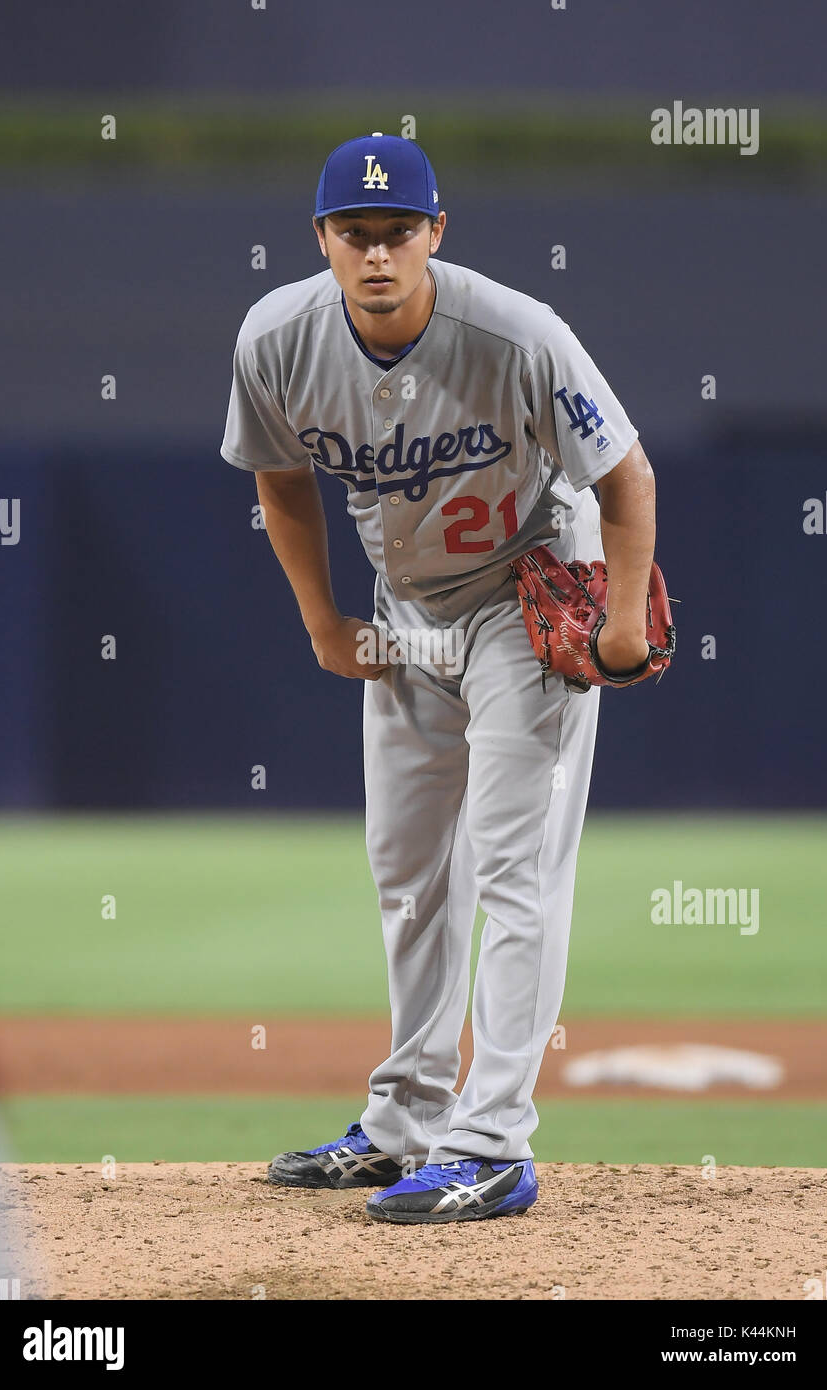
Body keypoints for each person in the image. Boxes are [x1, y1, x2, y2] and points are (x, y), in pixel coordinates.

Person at [220, 133, 656, 1225]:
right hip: (409, 616)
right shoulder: (277, 340)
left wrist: (613, 621)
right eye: (355, 233)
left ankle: (493, 1141)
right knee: (407, 874)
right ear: (321, 238)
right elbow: (279, 478)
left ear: (435, 235)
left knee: (512, 867)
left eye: (397, 232)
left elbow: (627, 477)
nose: (376, 253)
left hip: (527, 596)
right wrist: (324, 619)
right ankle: (405, 1119)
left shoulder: (517, 334)